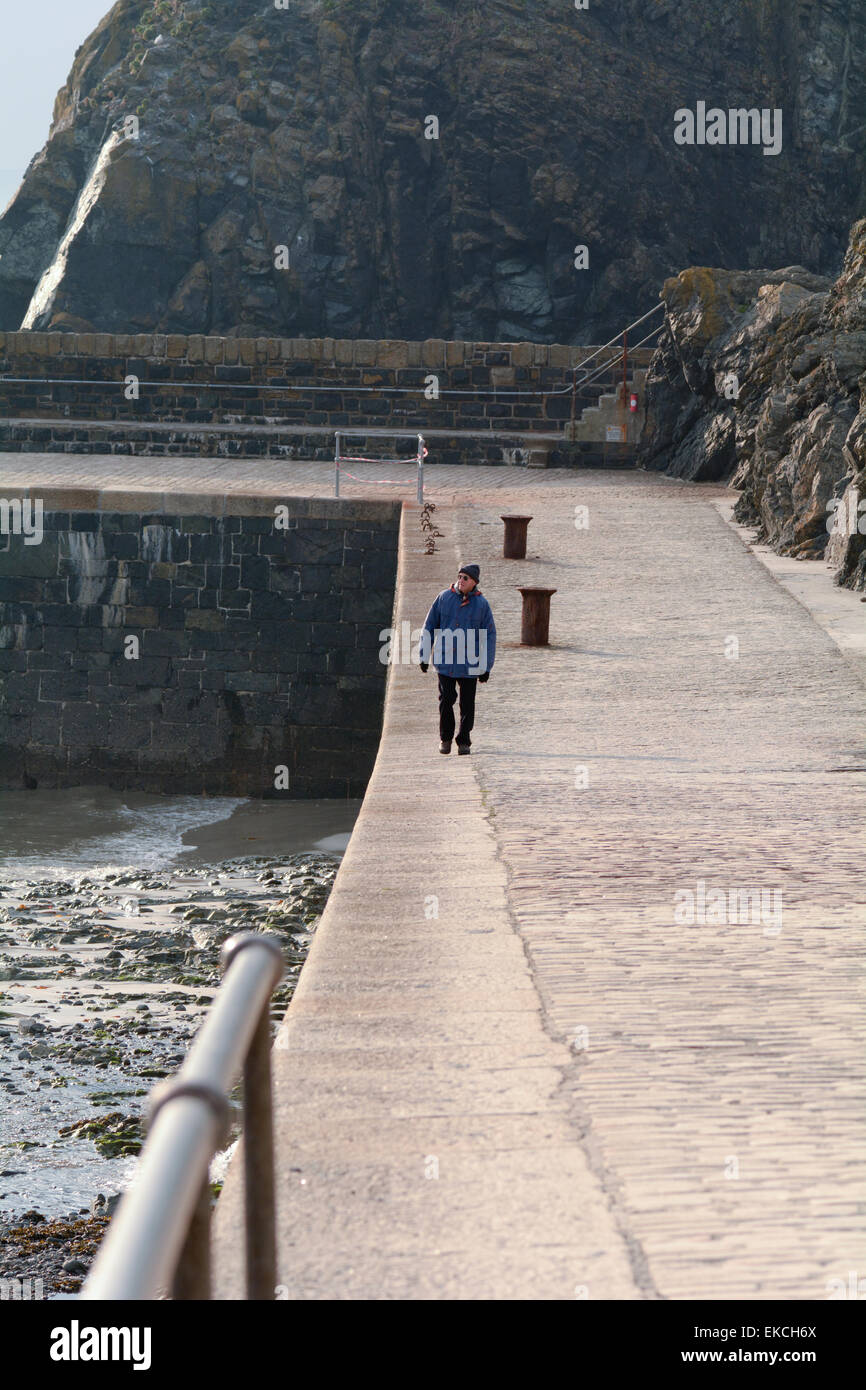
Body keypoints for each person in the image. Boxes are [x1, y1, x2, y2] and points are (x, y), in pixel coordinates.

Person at [419, 563, 496, 755]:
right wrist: (423, 655)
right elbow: (429, 626)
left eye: (465, 578)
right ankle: (445, 738)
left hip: (469, 663)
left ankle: (464, 741)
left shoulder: (482, 605)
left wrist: (486, 667)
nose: (461, 581)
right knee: (446, 700)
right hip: (445, 661)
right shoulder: (444, 598)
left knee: (467, 704)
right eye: (459, 577)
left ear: (474, 583)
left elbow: (490, 635)